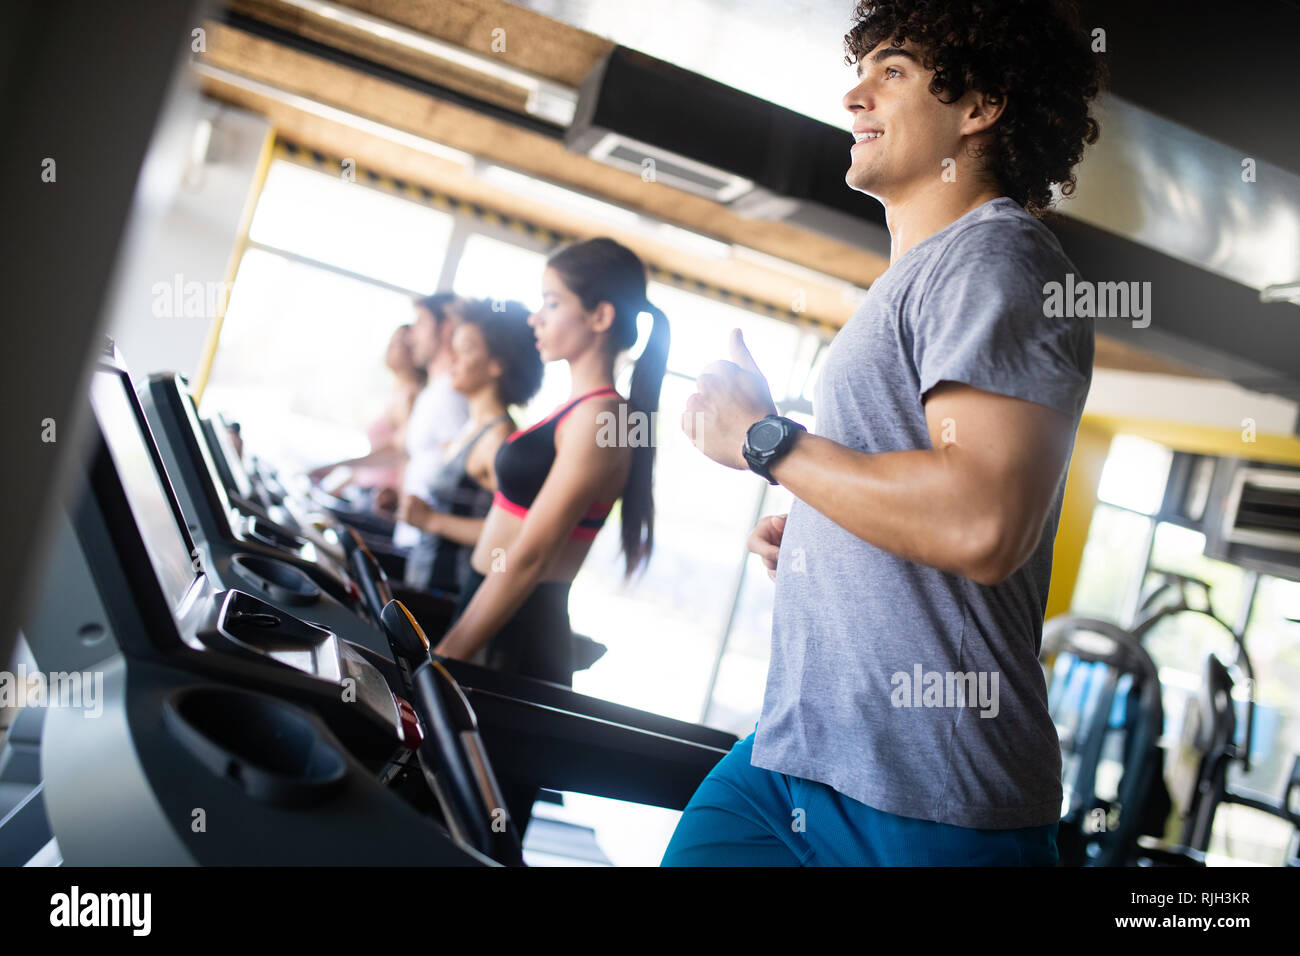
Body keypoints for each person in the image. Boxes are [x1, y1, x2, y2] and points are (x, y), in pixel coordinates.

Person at [666, 0, 1102, 866]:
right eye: (859, 73)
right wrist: (833, 537)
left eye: (891, 72)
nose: (854, 97)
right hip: (796, 754)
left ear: (979, 106)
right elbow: (927, 491)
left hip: (928, 797)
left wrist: (767, 441)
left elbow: (981, 523)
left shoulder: (997, 258)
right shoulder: (915, 279)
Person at [432, 238, 670, 832]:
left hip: (514, 627)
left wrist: (451, 653)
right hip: (496, 609)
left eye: (551, 302)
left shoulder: (602, 418)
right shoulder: (577, 410)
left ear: (599, 317)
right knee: (447, 811)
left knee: (478, 827)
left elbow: (532, 555)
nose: (536, 317)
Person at [397, 298, 545, 596]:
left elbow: (514, 534)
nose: (452, 360)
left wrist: (432, 520)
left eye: (464, 350)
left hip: (448, 595)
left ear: (497, 363)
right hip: (423, 580)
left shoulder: (498, 439)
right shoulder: (471, 427)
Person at [308, 324, 426, 515]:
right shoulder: (396, 393)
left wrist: (401, 508)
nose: (390, 347)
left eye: (398, 343)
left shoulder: (409, 396)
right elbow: (369, 466)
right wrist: (339, 483)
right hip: (365, 490)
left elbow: (402, 453)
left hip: (379, 497)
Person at [392, 293, 471, 550]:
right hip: (412, 536)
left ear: (446, 329)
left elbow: (460, 476)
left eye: (421, 324)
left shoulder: (451, 394)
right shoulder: (434, 389)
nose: (411, 336)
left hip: (428, 544)